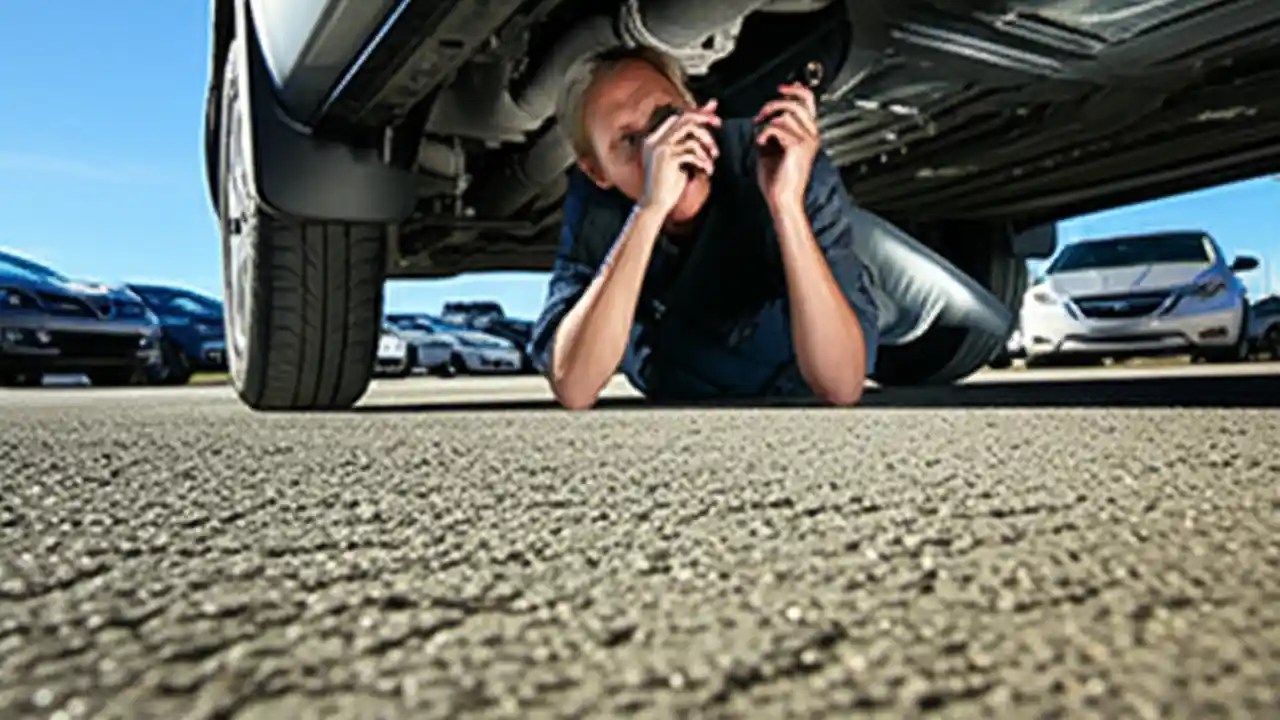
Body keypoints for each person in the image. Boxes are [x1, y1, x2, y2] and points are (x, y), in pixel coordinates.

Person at [528, 45, 1010, 409]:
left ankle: (915, 286)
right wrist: (650, 210)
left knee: (879, 286)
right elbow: (574, 385)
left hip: (796, 329)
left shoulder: (770, 151)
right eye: (630, 141)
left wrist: (786, 206)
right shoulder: (598, 206)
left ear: (698, 109)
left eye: (669, 119)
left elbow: (840, 385)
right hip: (691, 370)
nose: (663, 146)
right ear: (597, 172)